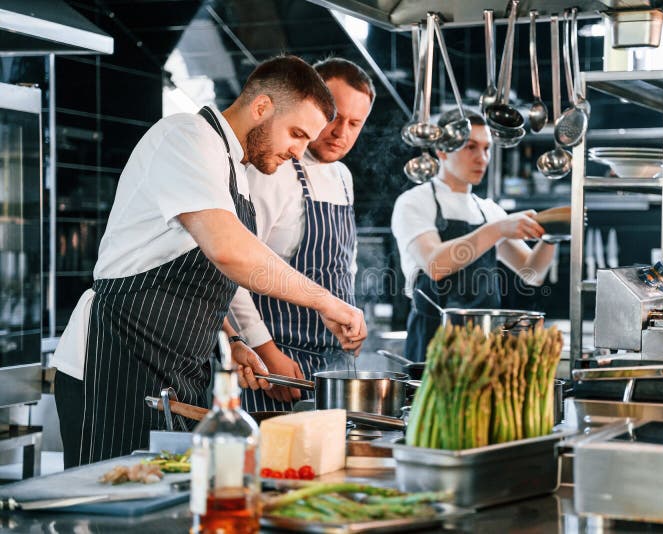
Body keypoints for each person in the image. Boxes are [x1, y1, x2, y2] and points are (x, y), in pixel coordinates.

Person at [51, 55, 367, 467]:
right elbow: (227, 251)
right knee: (116, 506)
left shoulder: (233, 167)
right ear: (261, 107)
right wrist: (326, 301)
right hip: (115, 361)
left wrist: (233, 340)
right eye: (296, 134)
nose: (297, 152)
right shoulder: (184, 136)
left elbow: (188, 265)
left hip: (178, 369)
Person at [228, 58, 374, 410]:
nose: (342, 132)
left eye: (355, 124)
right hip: (275, 366)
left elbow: (342, 267)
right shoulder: (271, 170)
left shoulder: (343, 177)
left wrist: (350, 317)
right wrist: (266, 352)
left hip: (332, 364)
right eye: (335, 117)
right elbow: (233, 271)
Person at [391, 108, 555, 362]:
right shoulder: (414, 202)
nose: (483, 158)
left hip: (485, 344)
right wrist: (498, 229)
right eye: (471, 147)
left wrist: (552, 235)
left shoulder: (488, 209)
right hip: (433, 343)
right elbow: (435, 265)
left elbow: (531, 273)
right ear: (442, 150)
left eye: (487, 148)